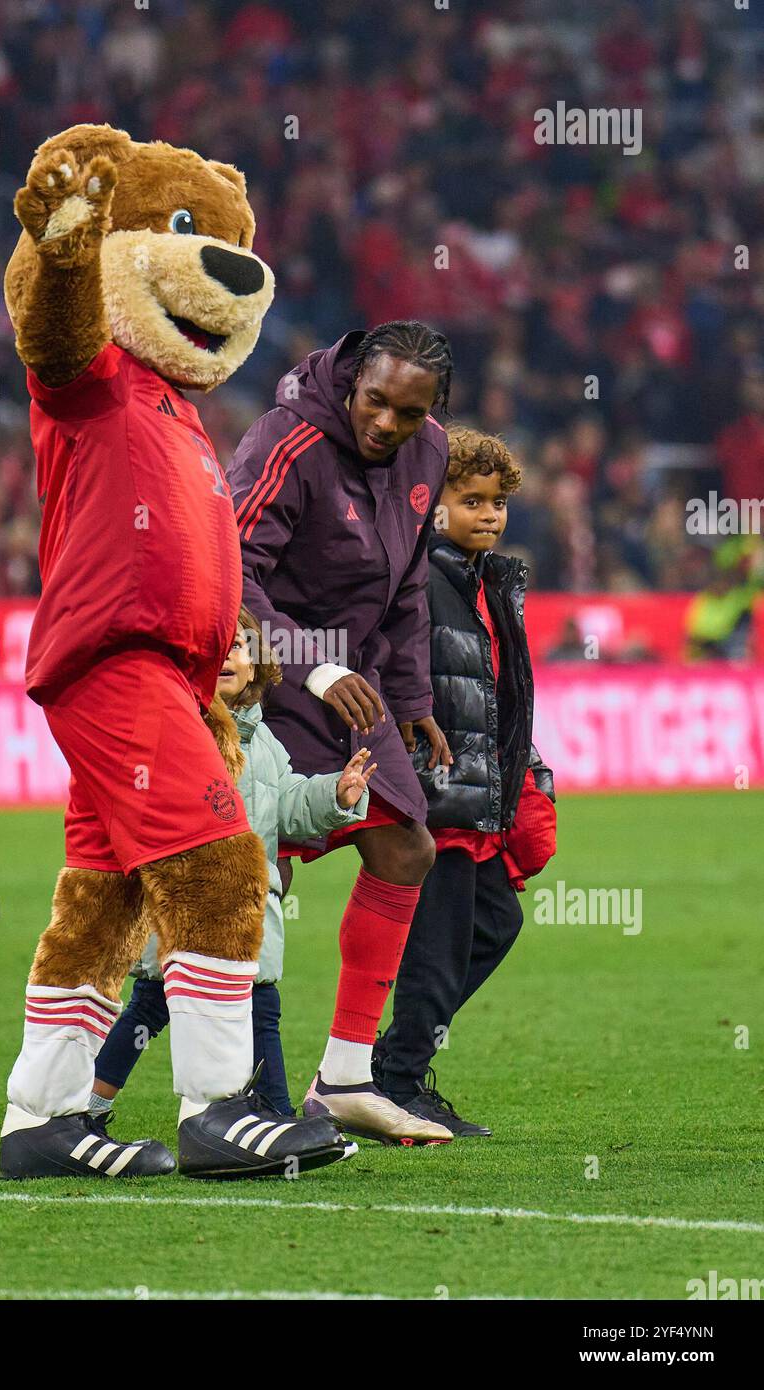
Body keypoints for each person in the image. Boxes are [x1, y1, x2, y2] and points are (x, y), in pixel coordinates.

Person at [227, 320, 457, 1144]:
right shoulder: (287, 442)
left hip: (353, 688)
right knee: (249, 888)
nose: (386, 424)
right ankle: (226, 1094)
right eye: (375, 402)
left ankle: (346, 1077)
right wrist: (310, 665)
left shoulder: (429, 453)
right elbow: (229, 569)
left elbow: (404, 592)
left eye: (407, 411)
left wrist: (413, 696)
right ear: (352, 379)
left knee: (405, 847)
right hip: (260, 684)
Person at [89, 606, 375, 1118]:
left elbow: (287, 802)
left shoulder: (262, 741)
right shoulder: (179, 731)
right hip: (184, 901)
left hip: (246, 902)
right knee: (169, 1005)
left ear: (258, 663)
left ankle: (273, 1116)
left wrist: (336, 793)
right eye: (212, 645)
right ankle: (93, 1103)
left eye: (238, 645)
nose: (226, 655)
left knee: (227, 1003)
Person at [372, 426, 557, 1136]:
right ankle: (397, 1080)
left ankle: (391, 1065)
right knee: (437, 945)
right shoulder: (416, 576)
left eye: (499, 502)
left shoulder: (483, 580)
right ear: (432, 502)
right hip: (433, 795)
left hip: (473, 793)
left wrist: (521, 777)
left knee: (492, 923)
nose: (488, 514)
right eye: (470, 499)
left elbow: (493, 693)